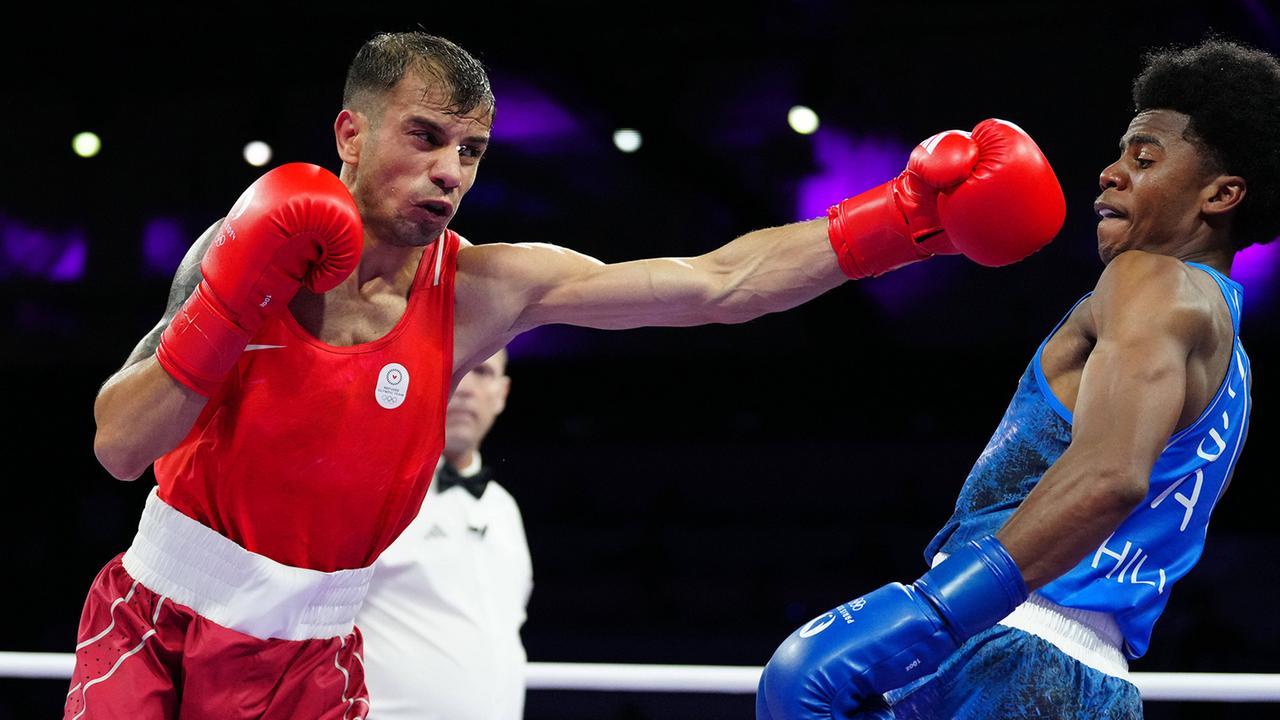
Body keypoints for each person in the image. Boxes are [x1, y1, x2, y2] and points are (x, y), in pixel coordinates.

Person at [72, 30, 1066, 719]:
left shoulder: (477, 290)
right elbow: (120, 446)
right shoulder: (242, 247)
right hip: (157, 622)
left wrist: (899, 220)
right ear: (350, 133)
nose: (451, 171)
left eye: (471, 150)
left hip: (312, 661)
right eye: (425, 137)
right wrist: (229, 304)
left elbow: (717, 285)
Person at [756, 37, 1279, 720]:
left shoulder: (1150, 278)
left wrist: (938, 610)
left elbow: (1110, 476)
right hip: (1093, 681)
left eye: (1144, 157)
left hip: (1009, 642)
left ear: (1222, 194)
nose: (1110, 173)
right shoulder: (1234, 369)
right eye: (1121, 152)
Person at [356, 349, 532, 720]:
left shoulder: (505, 510)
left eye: (482, 371)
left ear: (502, 393)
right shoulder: (375, 490)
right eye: (458, 368)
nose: (466, 387)